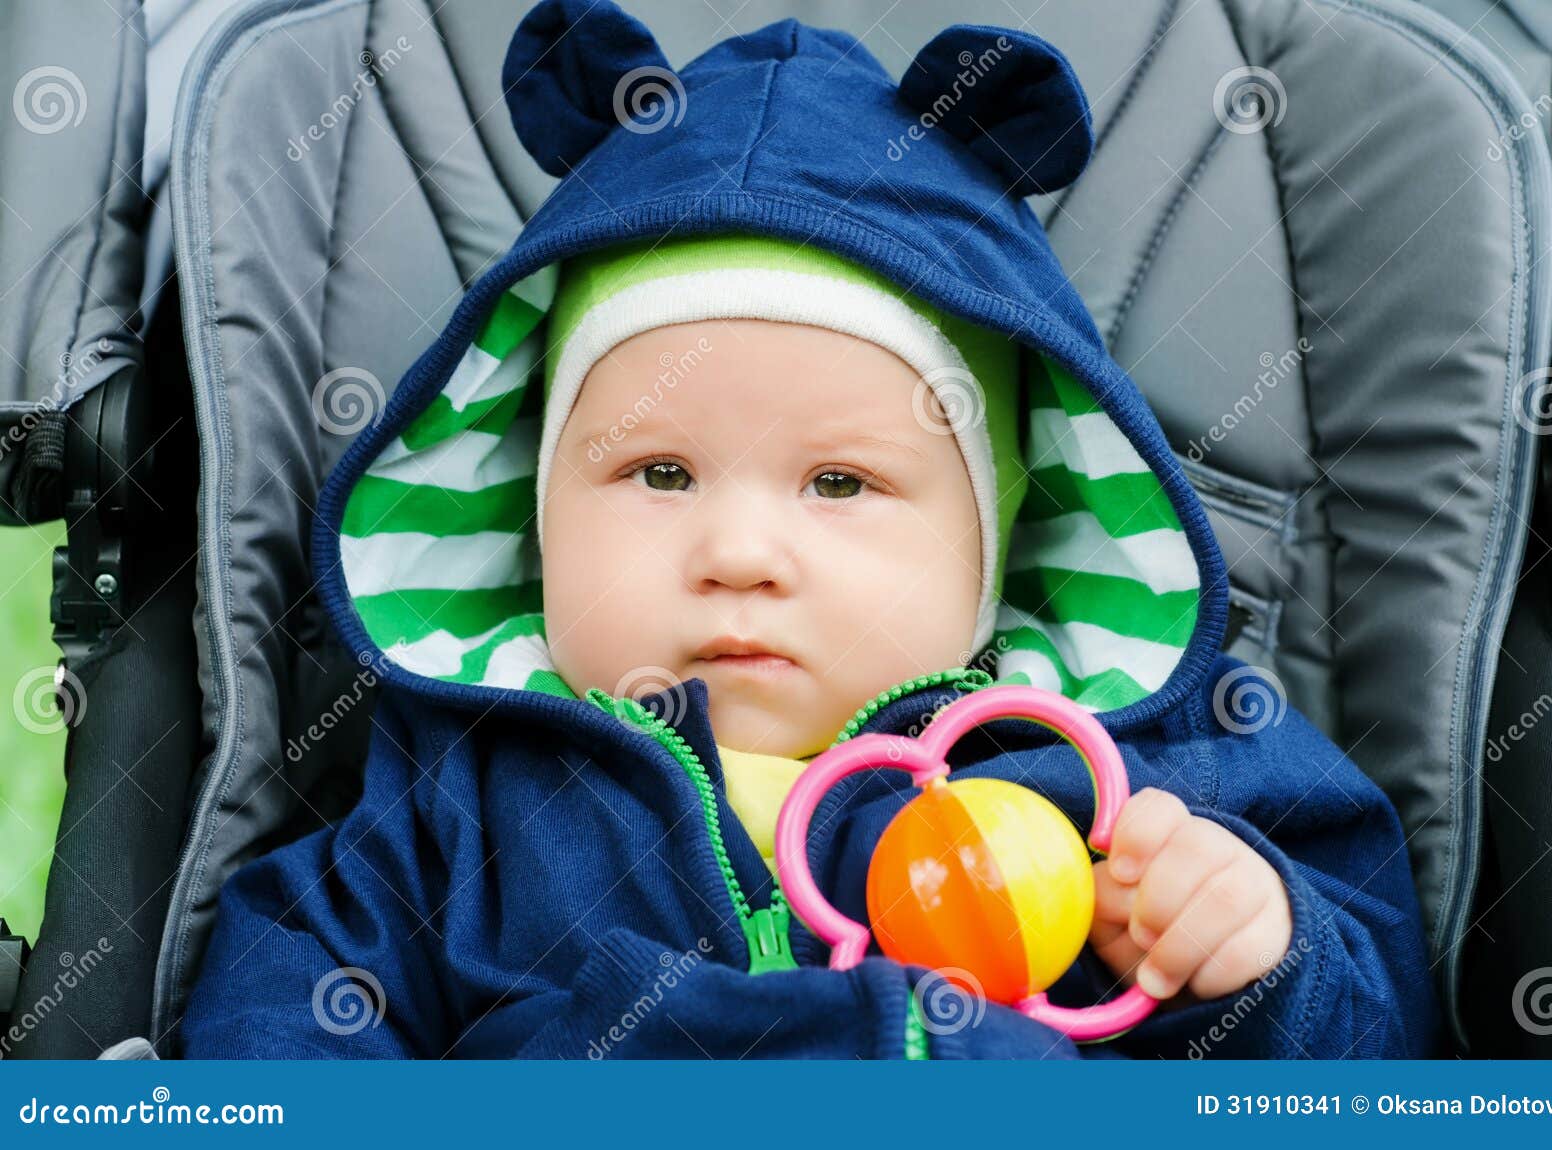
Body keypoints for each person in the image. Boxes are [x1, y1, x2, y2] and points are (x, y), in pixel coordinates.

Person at [178, 0, 1439, 1059]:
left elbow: (1391, 1036)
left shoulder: (1133, 766)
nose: (738, 553)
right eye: (659, 471)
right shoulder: (466, 791)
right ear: (531, 516)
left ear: (997, 544)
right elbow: (284, 1006)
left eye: (840, 484)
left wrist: (1263, 954)